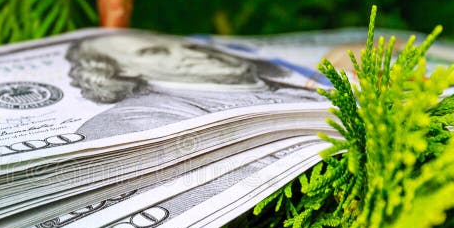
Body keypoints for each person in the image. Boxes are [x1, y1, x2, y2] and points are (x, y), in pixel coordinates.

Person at [65, 32, 323, 139]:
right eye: (154, 52)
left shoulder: (289, 86)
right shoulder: (139, 120)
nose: (192, 51)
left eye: (188, 44)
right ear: (124, 70)